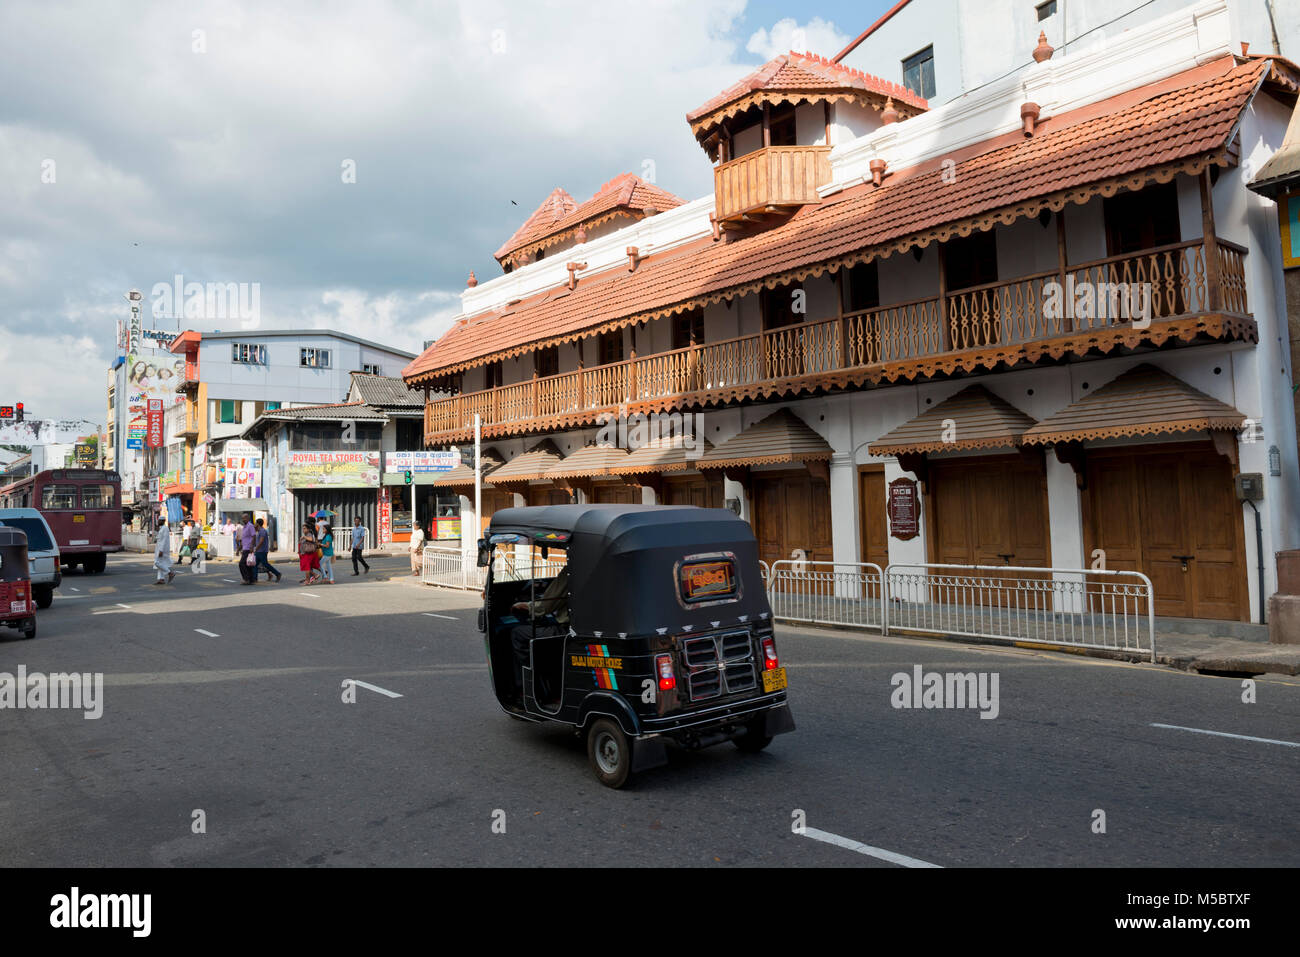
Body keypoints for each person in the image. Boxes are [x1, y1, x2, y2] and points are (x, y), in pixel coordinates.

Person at [508, 565, 570, 701]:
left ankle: (527, 689)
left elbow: (546, 605)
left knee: (518, 633)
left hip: (567, 631)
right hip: (583, 631)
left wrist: (527, 606)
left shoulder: (573, 570)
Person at [253, 517, 281, 582]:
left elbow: (261, 541)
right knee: (255, 564)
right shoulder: (259, 531)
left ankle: (277, 574)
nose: (255, 524)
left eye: (256, 523)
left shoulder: (262, 531)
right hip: (259, 551)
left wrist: (256, 548)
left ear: (258, 524)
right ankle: (254, 578)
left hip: (262, 551)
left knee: (265, 564)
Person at [153, 519, 175, 585]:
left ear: (162, 521)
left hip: (163, 550)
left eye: (159, 520)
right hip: (159, 549)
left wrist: (161, 550)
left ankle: (170, 573)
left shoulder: (165, 528)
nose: (158, 522)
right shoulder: (162, 528)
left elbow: (164, 540)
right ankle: (161, 579)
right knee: (161, 563)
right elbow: (159, 538)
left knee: (157, 563)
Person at [238, 513, 258, 585]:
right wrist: (239, 548)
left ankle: (246, 579)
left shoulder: (250, 526)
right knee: (247, 565)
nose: (243, 519)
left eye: (245, 518)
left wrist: (252, 546)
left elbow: (254, 536)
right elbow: (244, 539)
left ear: (248, 518)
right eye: (242, 518)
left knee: (241, 564)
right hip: (245, 548)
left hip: (248, 548)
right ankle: (251, 579)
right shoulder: (244, 527)